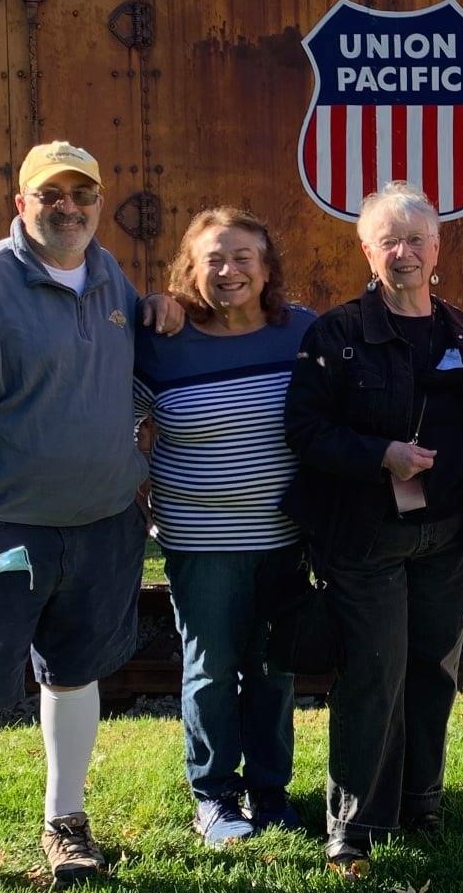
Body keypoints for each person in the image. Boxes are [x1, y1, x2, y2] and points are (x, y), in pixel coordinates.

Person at [0, 141, 172, 893]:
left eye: (82, 194)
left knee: (74, 676)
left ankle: (66, 823)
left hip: (99, 526)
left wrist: (163, 305)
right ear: (22, 203)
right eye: (51, 195)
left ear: (97, 202)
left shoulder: (108, 275)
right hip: (0, 527)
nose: (70, 207)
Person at [284, 182, 463, 879]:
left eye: (415, 240)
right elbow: (303, 429)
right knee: (373, 672)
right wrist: (381, 455)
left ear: (437, 250)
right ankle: (355, 822)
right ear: (367, 250)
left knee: (432, 669)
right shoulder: (336, 334)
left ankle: (420, 800)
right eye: (388, 240)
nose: (403, 253)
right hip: (366, 536)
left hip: (450, 536)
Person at [133, 208, 316, 848]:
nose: (229, 270)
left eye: (243, 257)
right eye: (213, 258)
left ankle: (270, 791)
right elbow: (121, 423)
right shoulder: (161, 341)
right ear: (191, 269)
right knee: (211, 667)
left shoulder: (303, 333)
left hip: (286, 536)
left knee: (274, 668)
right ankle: (214, 795)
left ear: (267, 270)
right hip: (200, 538)